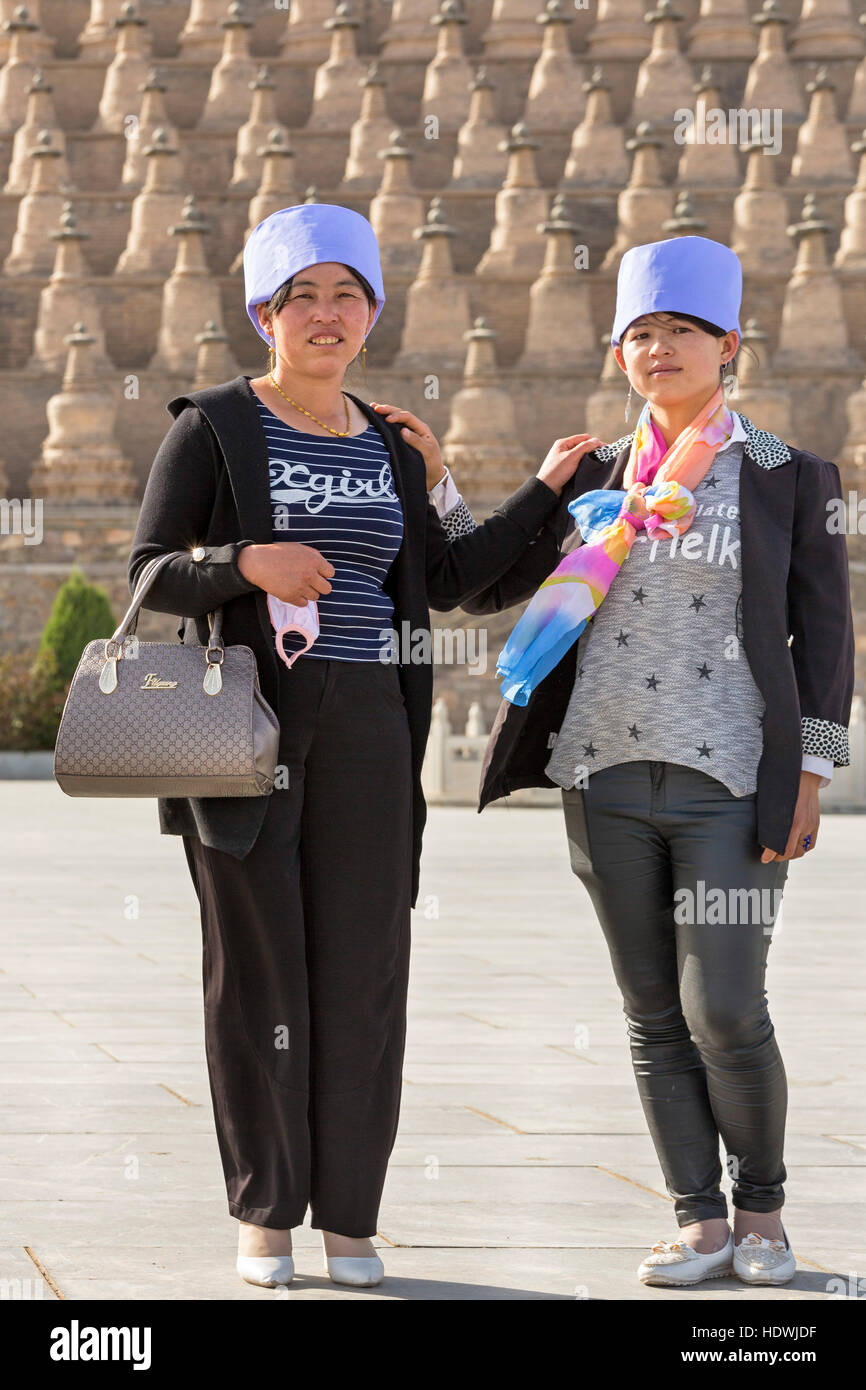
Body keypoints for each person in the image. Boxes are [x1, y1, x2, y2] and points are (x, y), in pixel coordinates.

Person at [126, 203, 599, 1290]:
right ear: (265, 313)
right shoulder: (214, 427)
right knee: (257, 979)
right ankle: (265, 1215)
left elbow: (447, 582)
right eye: (303, 296)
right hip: (244, 728)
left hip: (374, 731)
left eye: (347, 296)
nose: (326, 315)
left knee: (364, 975)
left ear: (372, 313)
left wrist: (545, 494)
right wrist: (248, 564)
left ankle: (348, 1218)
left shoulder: (389, 444)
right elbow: (150, 570)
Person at [428, 237, 855, 1288]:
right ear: (619, 352)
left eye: (680, 330)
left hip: (731, 777)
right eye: (638, 333)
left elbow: (826, 639)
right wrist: (451, 484)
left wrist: (809, 774)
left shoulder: (785, 477)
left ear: (728, 348)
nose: (657, 348)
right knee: (651, 1011)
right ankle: (695, 1224)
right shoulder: (593, 475)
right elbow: (472, 588)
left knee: (723, 1008)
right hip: (601, 775)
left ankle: (761, 1215)